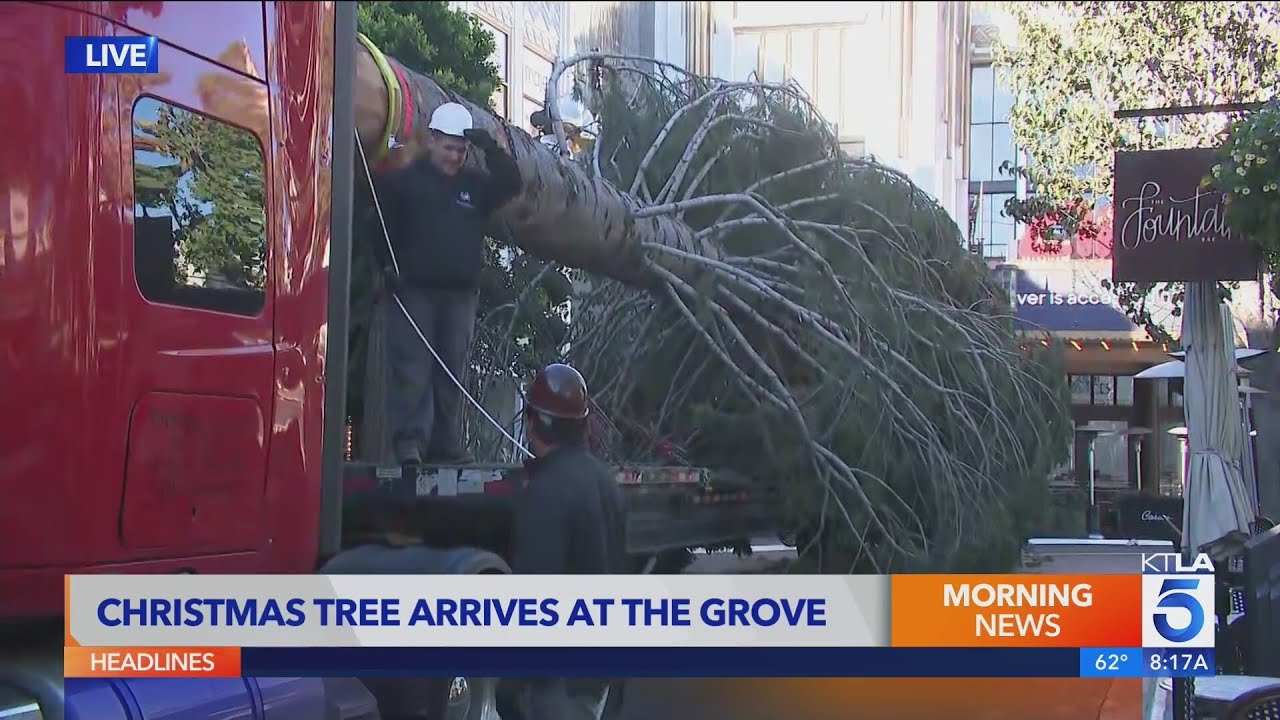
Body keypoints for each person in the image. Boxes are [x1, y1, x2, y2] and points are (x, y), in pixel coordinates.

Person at [374, 101, 521, 465]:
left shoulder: (475, 186)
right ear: (432, 141)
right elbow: (376, 224)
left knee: (452, 372)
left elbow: (511, 184)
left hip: (459, 295)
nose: (454, 156)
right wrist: (384, 267)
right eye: (448, 148)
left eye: (460, 150)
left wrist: (490, 147)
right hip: (414, 290)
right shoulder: (406, 181)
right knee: (412, 368)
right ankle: (410, 442)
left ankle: (446, 443)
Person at [505, 363, 626, 720]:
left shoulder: (545, 493)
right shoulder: (608, 486)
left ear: (533, 424)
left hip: (557, 685)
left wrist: (512, 686)